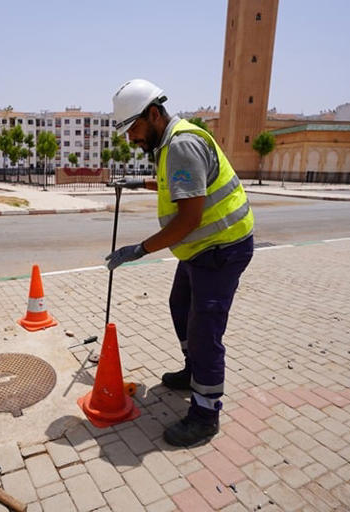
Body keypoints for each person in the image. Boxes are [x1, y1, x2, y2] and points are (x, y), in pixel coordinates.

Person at [105, 79, 254, 447]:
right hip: (200, 251)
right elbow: (177, 185)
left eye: (134, 129)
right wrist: (140, 183)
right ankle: (194, 372)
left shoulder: (182, 144)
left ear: (154, 114)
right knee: (180, 306)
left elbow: (187, 220)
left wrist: (139, 249)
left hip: (221, 249)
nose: (131, 140)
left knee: (205, 331)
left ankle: (205, 414)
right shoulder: (169, 143)